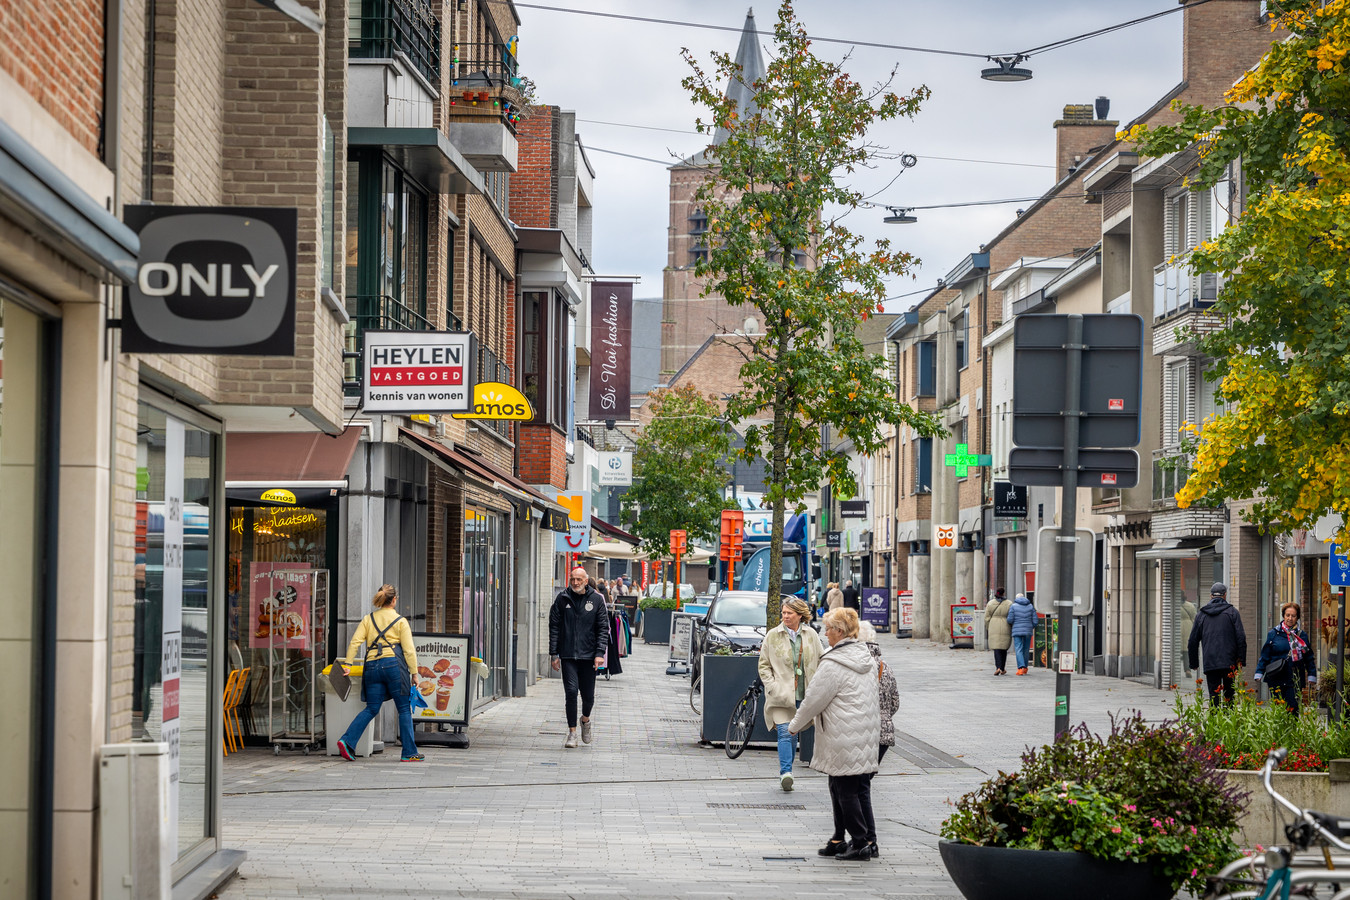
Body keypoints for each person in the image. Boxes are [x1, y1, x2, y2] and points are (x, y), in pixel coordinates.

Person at [790, 608, 880, 862]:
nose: (825, 632)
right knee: (851, 786)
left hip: (843, 733)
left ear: (839, 632)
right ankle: (843, 839)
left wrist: (795, 725)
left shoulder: (833, 663)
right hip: (864, 732)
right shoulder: (864, 656)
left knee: (845, 790)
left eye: (828, 628)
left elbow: (813, 700)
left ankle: (860, 842)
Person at [336, 584, 422, 762]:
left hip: (372, 667)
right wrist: (414, 673)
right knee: (404, 709)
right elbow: (409, 651)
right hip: (393, 667)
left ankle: (347, 740)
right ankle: (409, 752)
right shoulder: (400, 621)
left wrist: (348, 665)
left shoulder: (368, 619)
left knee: (372, 708)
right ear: (394, 599)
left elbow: (354, 643)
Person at [758, 597, 823, 792]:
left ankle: (788, 770)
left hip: (804, 694)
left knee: (793, 732)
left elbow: (822, 660)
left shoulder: (811, 635)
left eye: (789, 613)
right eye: (784, 613)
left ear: (800, 615)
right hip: (781, 695)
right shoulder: (772, 635)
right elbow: (763, 665)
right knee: (785, 732)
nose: (785, 616)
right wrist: (772, 687)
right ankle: (786, 773)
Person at [549, 566, 610, 748]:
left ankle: (585, 720)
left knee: (588, 696)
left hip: (589, 655)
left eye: (579, 579)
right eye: (572, 579)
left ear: (586, 580)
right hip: (568, 654)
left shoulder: (596, 600)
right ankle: (572, 733)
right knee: (570, 692)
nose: (575, 582)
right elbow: (554, 627)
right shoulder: (562, 599)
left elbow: (602, 629)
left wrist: (600, 654)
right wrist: (554, 654)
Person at [857, 621, 897, 859]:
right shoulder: (885, 667)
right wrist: (884, 719)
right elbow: (895, 702)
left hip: (864, 732)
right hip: (885, 734)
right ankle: (865, 838)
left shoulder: (859, 666)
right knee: (862, 785)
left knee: (859, 787)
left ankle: (869, 840)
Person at [1187, 582, 1247, 706]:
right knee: (1229, 697)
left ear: (1211, 596)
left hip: (1211, 662)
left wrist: (1194, 663)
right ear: (1225, 595)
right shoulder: (1232, 612)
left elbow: (1193, 640)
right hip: (1229, 663)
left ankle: (1214, 723)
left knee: (1214, 696)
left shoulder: (1201, 614)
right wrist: (1241, 659)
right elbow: (1241, 638)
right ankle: (1228, 723)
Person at [1255, 602, 1316, 714]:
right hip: (1276, 676)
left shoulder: (1301, 635)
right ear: (1283, 616)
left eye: (1293, 616)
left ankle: (1292, 731)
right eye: (1288, 615)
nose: (1290, 618)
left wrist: (1312, 675)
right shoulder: (1274, 633)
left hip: (1294, 677)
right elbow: (1265, 655)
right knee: (1279, 710)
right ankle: (1280, 731)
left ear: (1297, 617)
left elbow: (1308, 656)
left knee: (1293, 708)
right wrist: (1259, 672)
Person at [1006, 592, 1037, 675]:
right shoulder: (1030, 606)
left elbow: (1009, 620)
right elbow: (1035, 621)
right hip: (1028, 630)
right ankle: (1025, 667)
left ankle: (1020, 668)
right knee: (1026, 649)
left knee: (1018, 648)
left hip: (1017, 630)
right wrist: (1031, 627)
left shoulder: (1013, 606)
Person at [984, 588, 1012, 676]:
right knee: (1004, 648)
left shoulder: (990, 603)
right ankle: (1002, 668)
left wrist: (988, 627)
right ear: (1004, 593)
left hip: (993, 625)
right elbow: (1011, 617)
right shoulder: (1009, 603)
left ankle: (998, 667)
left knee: (996, 648)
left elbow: (986, 617)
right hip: (1005, 625)